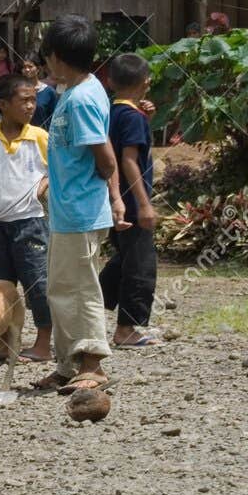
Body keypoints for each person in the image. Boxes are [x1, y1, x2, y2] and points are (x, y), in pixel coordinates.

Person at [35, 14, 128, 396]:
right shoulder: (72, 93)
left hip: (81, 211)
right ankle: (66, 364)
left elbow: (105, 159)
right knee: (60, 288)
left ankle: (92, 364)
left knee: (81, 289)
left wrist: (111, 194)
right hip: (65, 210)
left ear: (56, 57)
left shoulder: (83, 98)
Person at [0, 71, 53, 362]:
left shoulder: (40, 137)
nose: (31, 106)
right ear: (3, 105)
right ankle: (1, 344)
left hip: (30, 223)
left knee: (38, 284)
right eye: (24, 100)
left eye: (33, 100)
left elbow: (56, 170)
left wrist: (43, 186)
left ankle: (43, 342)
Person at [102, 53, 161, 349]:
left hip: (112, 202)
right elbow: (129, 161)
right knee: (140, 265)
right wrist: (145, 204)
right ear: (146, 82)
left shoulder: (110, 112)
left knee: (124, 260)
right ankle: (126, 329)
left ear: (111, 82)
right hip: (132, 205)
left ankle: (92, 298)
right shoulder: (133, 117)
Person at [27, 52, 59, 131]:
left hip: (43, 138)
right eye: (24, 67)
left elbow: (56, 118)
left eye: (30, 66)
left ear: (38, 69)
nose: (27, 69)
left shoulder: (49, 92)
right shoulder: (18, 90)